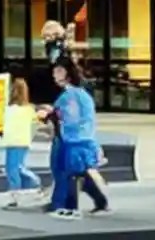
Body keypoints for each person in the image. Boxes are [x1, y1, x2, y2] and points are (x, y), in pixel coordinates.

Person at [43, 58, 110, 220]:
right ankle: (99, 201)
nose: (54, 75)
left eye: (59, 71)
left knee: (69, 173)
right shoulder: (78, 94)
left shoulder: (71, 95)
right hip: (79, 139)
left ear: (68, 73)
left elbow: (70, 118)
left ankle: (69, 207)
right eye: (54, 71)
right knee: (77, 172)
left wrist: (50, 115)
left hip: (72, 140)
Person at [2, 78, 44, 209]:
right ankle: (31, 185)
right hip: (22, 141)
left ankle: (16, 196)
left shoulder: (9, 108)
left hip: (13, 141)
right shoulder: (28, 109)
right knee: (17, 168)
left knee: (12, 169)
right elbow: (36, 123)